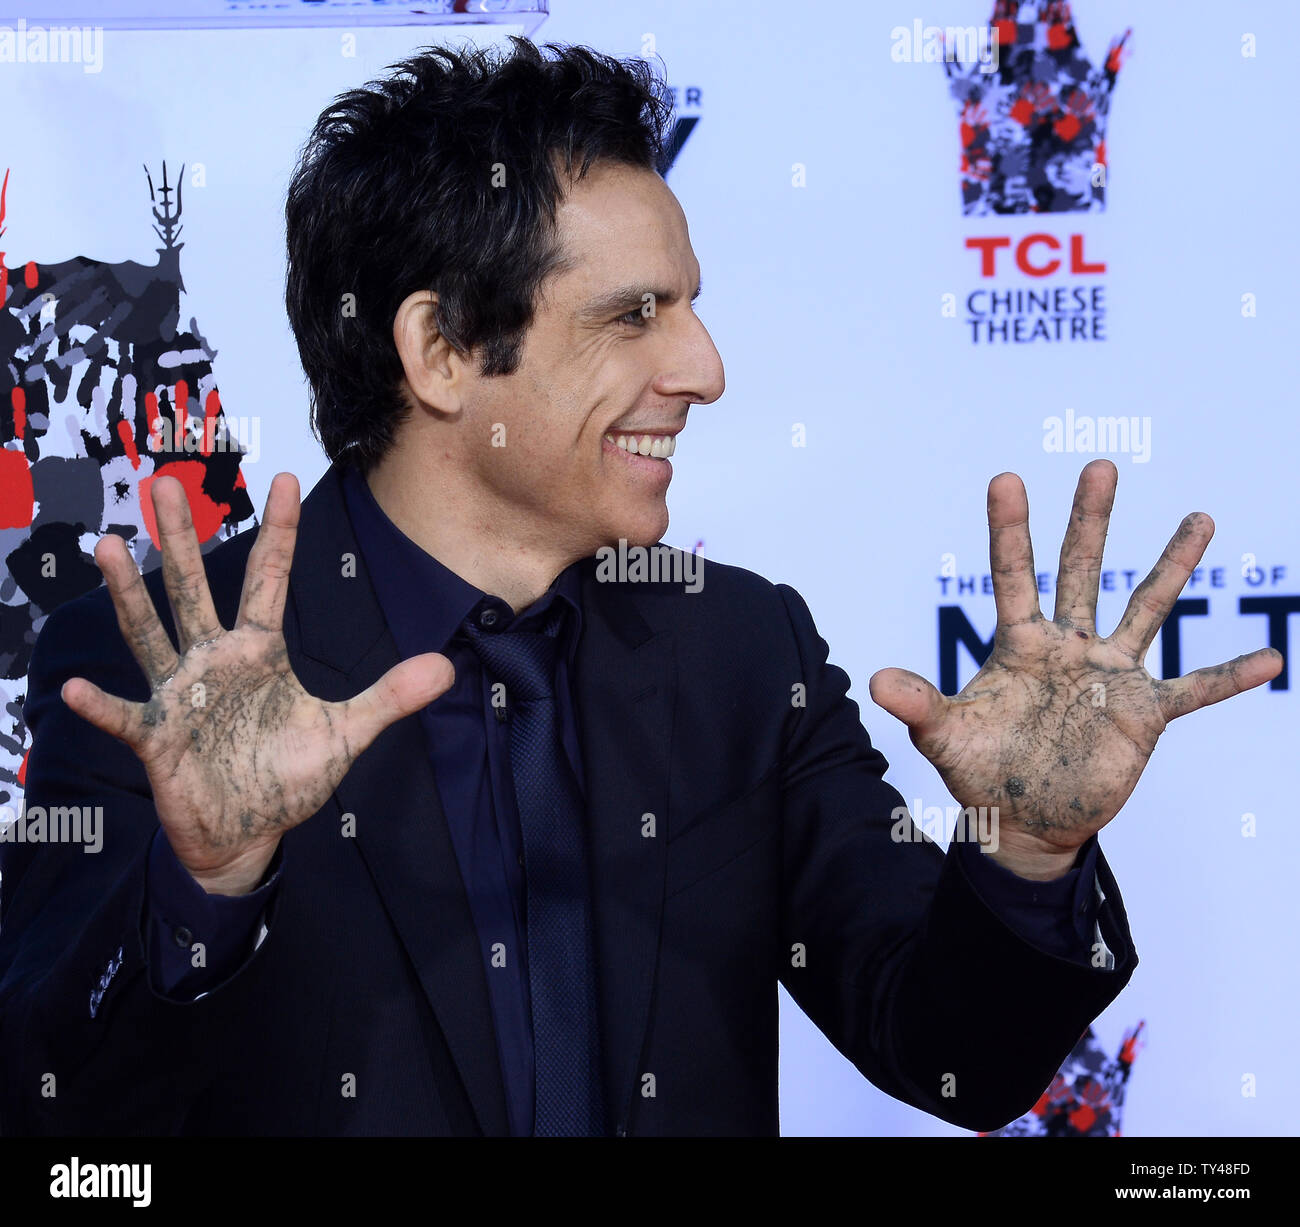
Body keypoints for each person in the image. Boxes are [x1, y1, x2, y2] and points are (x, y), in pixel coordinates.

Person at [0, 38, 1280, 1137]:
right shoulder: (158, 668)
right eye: (635, 316)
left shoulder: (740, 650)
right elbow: (61, 1128)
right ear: (440, 351)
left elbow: (954, 1056)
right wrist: (206, 893)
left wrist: (1028, 857)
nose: (707, 369)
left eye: (693, 308)